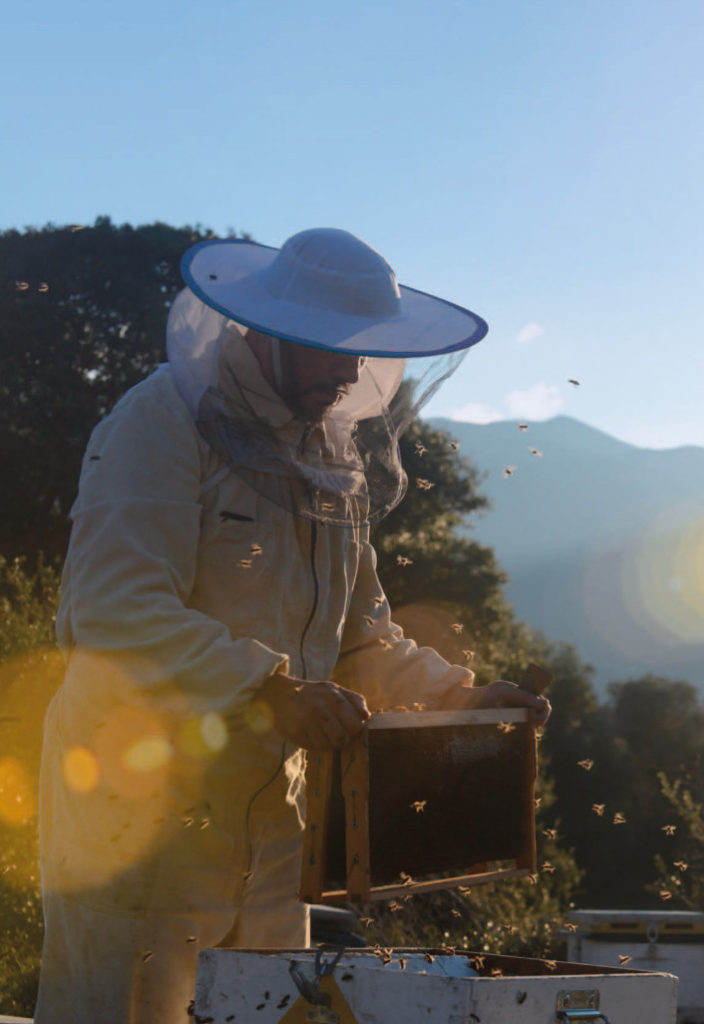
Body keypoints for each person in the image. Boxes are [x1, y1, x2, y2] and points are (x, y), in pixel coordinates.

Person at [34, 228, 550, 1024]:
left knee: (262, 1012)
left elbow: (360, 638)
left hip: (279, 831)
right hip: (140, 826)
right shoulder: (161, 424)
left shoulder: (327, 461)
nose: (348, 373)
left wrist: (464, 699)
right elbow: (108, 614)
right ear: (267, 331)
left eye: (361, 352)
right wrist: (267, 688)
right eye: (332, 349)